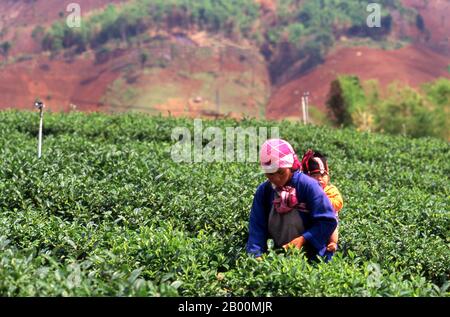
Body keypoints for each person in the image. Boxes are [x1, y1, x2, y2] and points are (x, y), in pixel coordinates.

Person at [246, 139, 337, 261]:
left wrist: (303, 239)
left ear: (290, 166)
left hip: (313, 258)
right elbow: (257, 226)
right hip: (278, 257)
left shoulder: (308, 186)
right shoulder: (264, 191)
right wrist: (256, 254)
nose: (276, 178)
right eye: (270, 174)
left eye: (281, 172)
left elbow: (327, 221)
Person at [301, 150, 343, 252]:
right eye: (314, 176)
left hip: (327, 219)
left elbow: (339, 203)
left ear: (328, 176)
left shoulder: (330, 190)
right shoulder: (305, 190)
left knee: (333, 225)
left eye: (323, 175)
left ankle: (332, 243)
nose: (319, 179)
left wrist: (324, 201)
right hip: (310, 220)